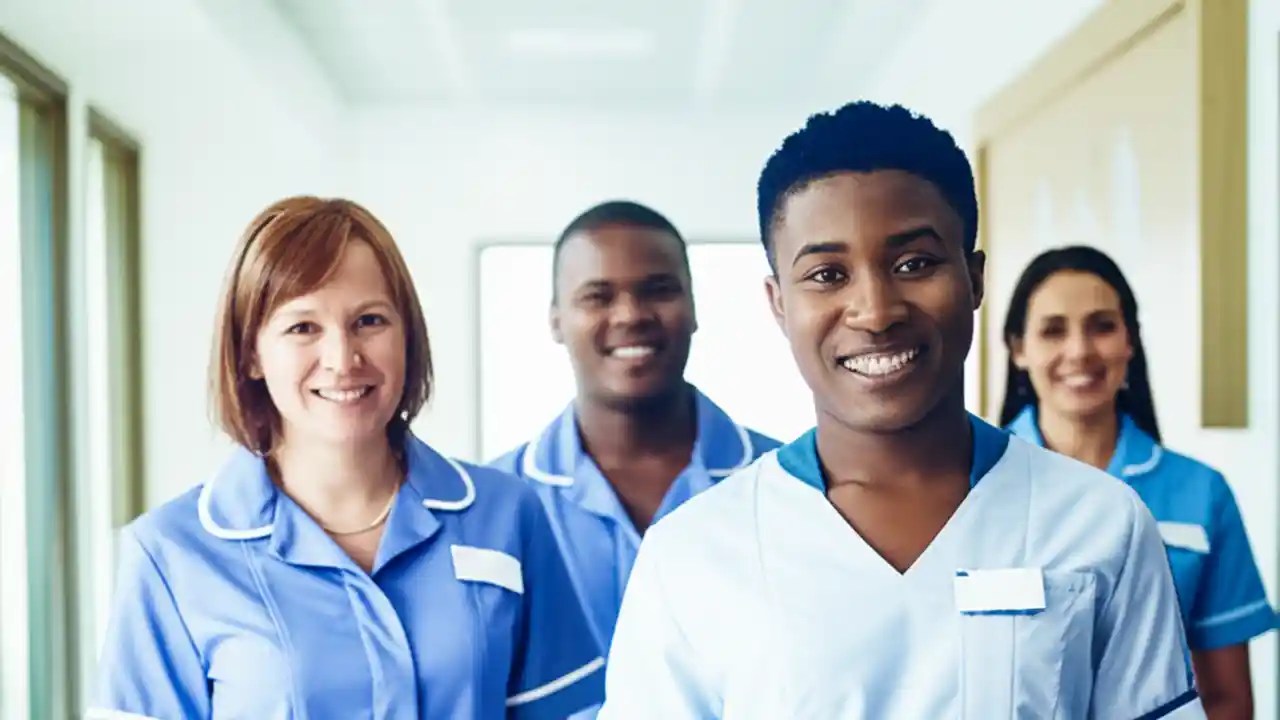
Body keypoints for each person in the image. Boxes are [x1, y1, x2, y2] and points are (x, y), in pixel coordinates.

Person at [597, 102, 1204, 718]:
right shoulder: (693, 552)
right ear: (779, 304)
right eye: (828, 274)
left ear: (974, 279)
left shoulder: (1098, 523)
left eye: (914, 264)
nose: (875, 310)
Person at [88, 197, 604, 720]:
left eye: (370, 321)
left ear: (408, 336)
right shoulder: (171, 555)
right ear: (251, 354)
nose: (342, 359)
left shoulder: (506, 516)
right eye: (302, 327)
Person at [490, 200, 780, 656]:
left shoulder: (789, 483)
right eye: (597, 296)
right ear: (556, 320)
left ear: (693, 307)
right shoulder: (497, 504)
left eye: (658, 289)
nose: (630, 315)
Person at [999, 245, 1276, 719]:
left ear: (1130, 341)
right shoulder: (969, 485)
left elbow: (1228, 699)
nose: (1079, 350)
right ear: (1019, 348)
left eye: (1102, 326)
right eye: (1053, 330)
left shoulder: (1202, 495)